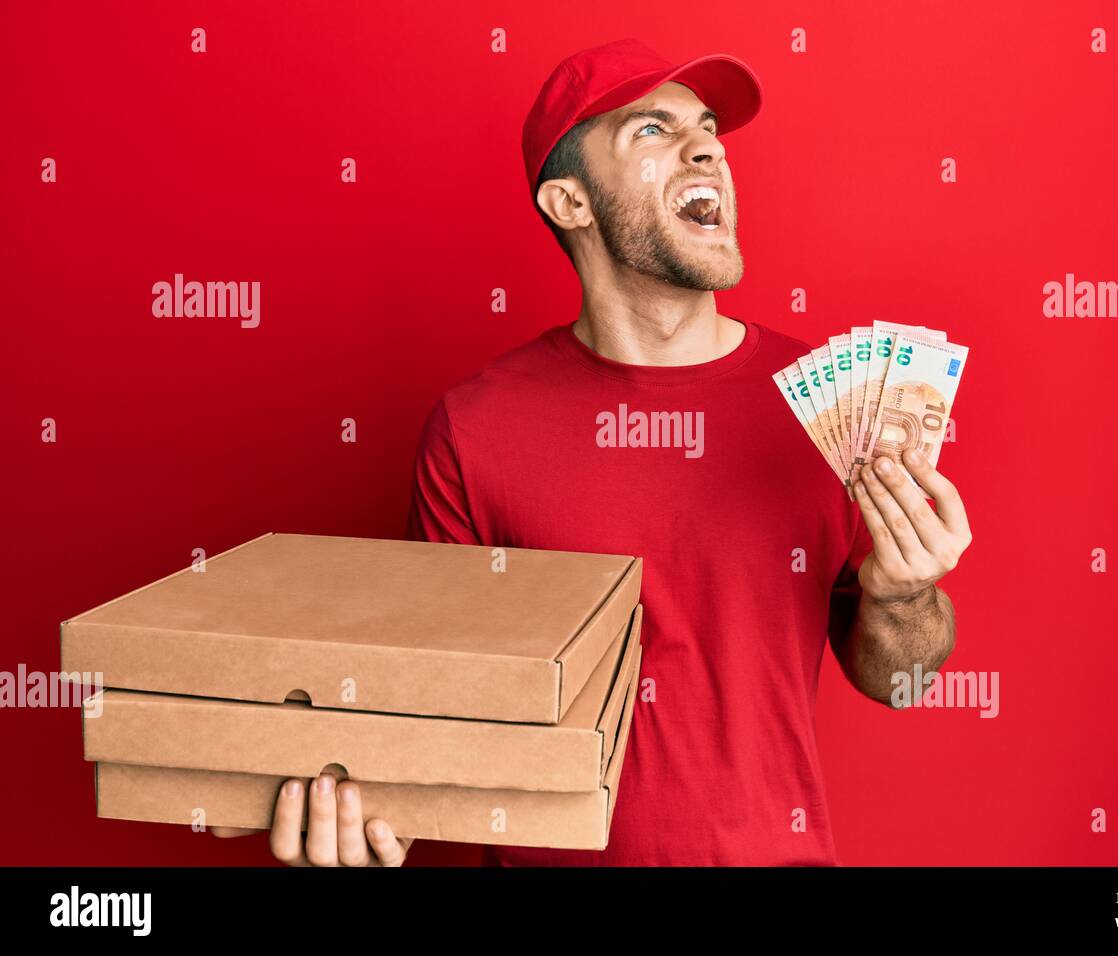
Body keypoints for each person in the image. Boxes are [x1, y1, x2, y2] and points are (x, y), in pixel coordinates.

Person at [218, 36, 971, 867]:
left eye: (708, 126)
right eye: (652, 130)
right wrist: (353, 821)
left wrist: (905, 598)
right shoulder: (475, 429)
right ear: (570, 203)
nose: (706, 147)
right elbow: (448, 709)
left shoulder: (829, 401)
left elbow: (901, 684)